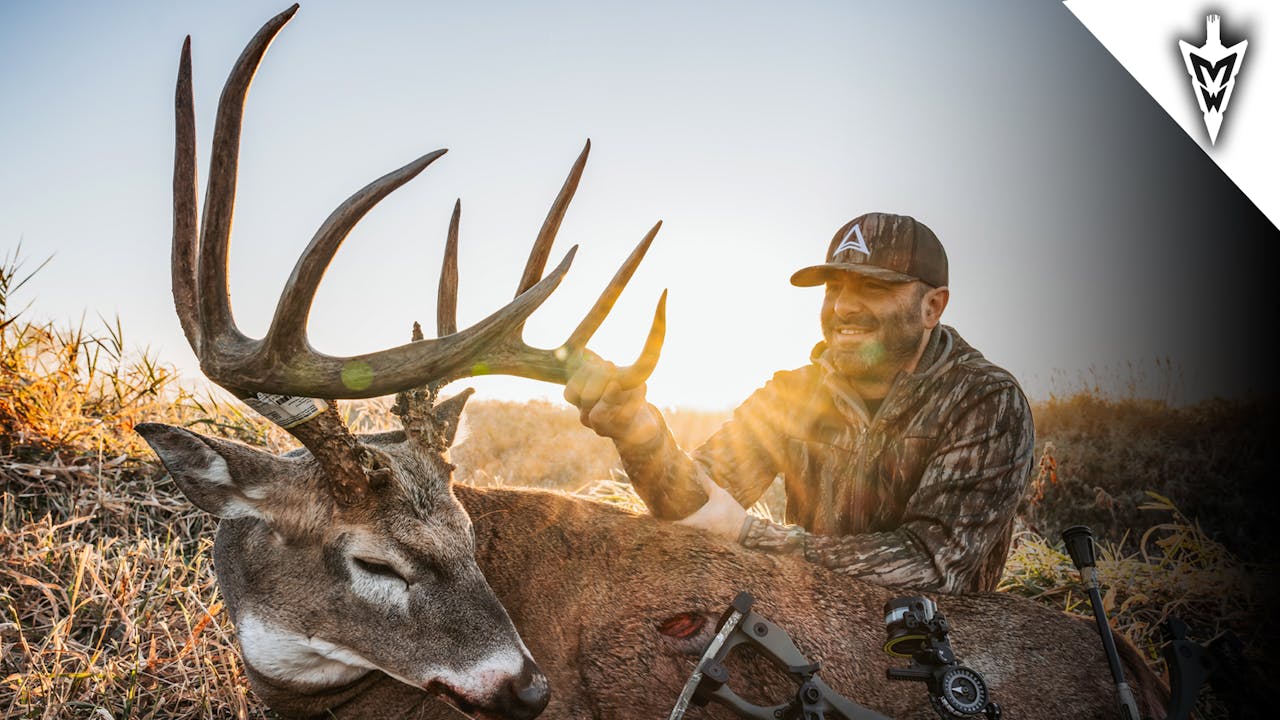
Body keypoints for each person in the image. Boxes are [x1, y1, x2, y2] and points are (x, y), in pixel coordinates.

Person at [565, 212, 1034, 593]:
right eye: (835, 288)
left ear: (933, 306)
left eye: (874, 287)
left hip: (940, 645)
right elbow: (698, 505)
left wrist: (753, 537)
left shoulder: (986, 401)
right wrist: (641, 433)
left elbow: (932, 566)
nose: (843, 308)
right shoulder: (792, 394)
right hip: (810, 620)